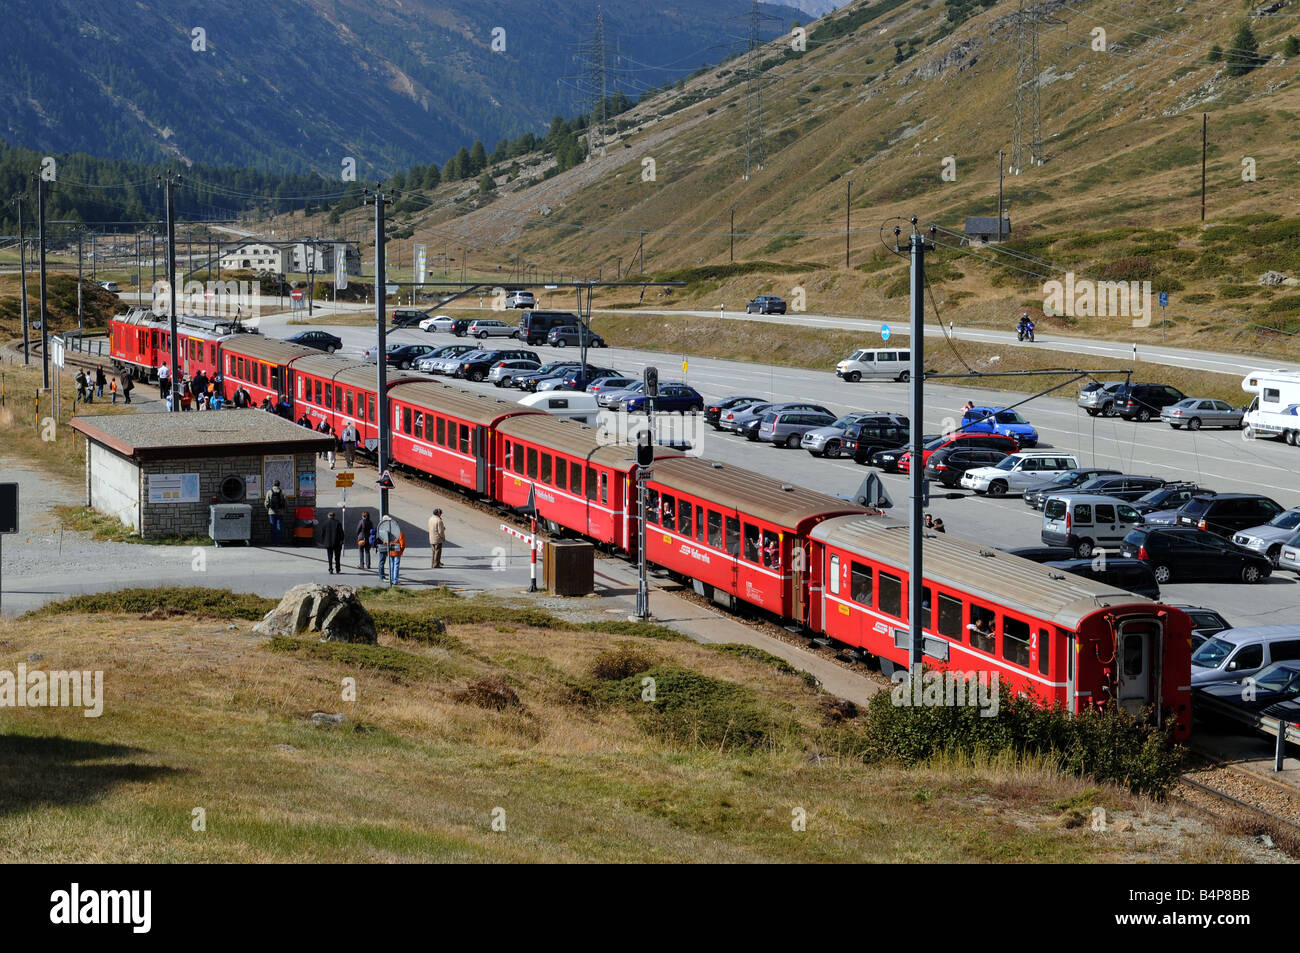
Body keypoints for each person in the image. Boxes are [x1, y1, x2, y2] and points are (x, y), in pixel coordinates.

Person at [264, 479, 287, 545]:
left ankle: (273, 542)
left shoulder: (269, 492)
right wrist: (284, 510)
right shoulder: (282, 492)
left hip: (271, 512)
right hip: (280, 512)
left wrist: (268, 509)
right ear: (279, 485)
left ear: (273, 484)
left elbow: (266, 503)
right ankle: (278, 542)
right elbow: (286, 502)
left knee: (272, 527)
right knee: (279, 527)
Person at [387, 521, 407, 585]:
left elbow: (385, 542)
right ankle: (395, 580)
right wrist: (401, 551)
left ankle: (391, 579)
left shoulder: (389, 533)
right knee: (396, 565)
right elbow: (403, 544)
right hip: (397, 551)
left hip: (390, 551)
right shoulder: (400, 533)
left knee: (391, 565)